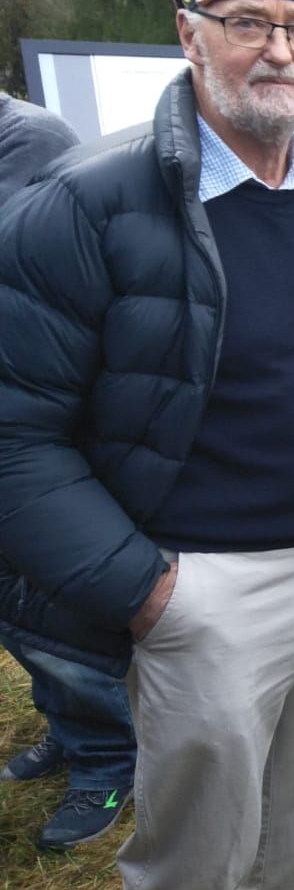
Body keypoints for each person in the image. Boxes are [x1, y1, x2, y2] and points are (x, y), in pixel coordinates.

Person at [0, 0, 294, 890]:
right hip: (203, 587)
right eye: (246, 23)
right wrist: (148, 592)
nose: (277, 50)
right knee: (196, 860)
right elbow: (14, 438)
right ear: (189, 34)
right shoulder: (87, 204)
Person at [0, 94, 140, 851]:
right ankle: (66, 726)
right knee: (20, 608)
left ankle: (108, 755)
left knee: (57, 602)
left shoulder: (30, 138)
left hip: (42, 402)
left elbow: (29, 272)